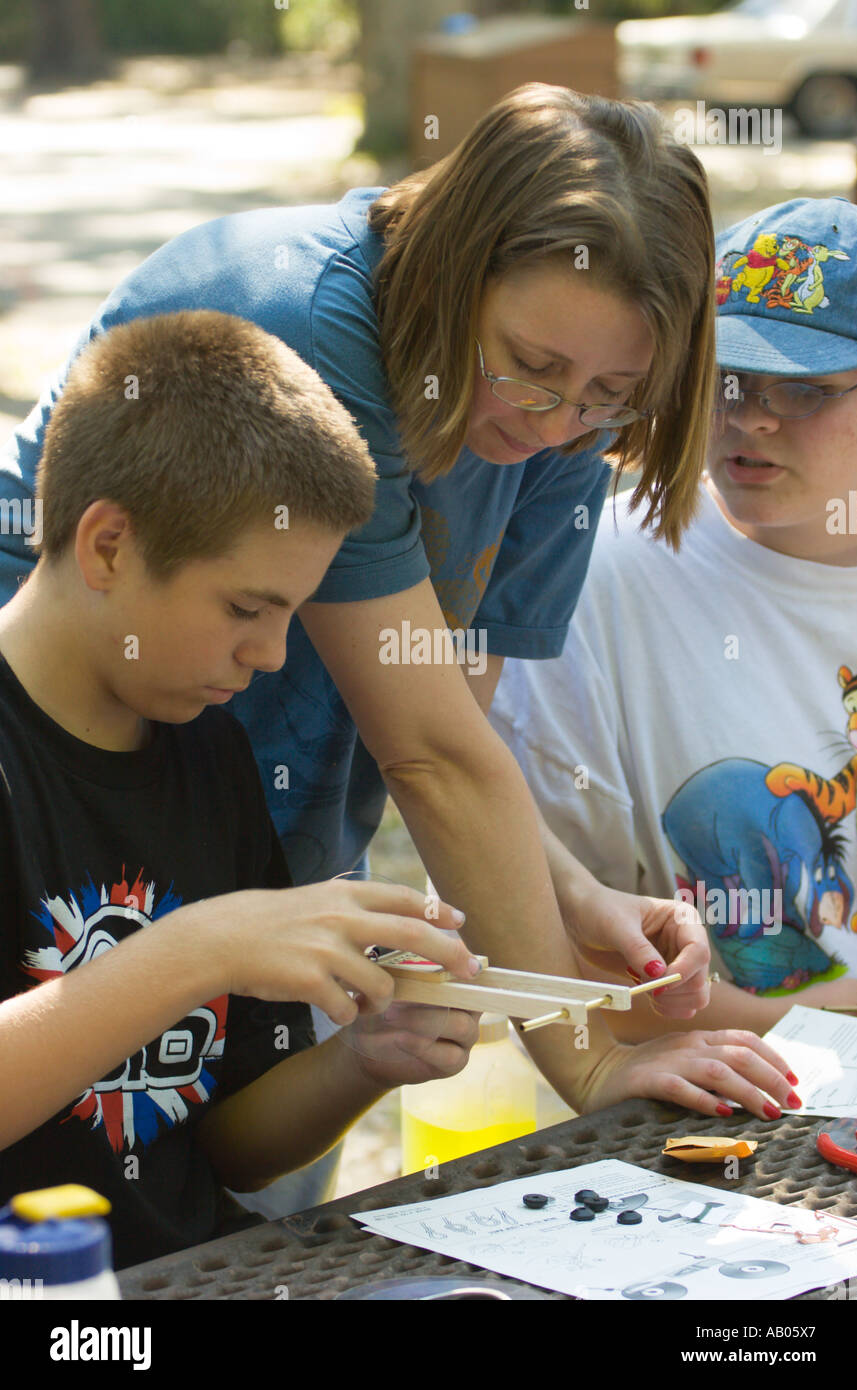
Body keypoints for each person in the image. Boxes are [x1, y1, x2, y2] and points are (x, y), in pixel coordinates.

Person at [0, 85, 797, 1133]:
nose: (557, 421)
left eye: (612, 393)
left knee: (215, 1143)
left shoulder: (562, 430)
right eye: (529, 368)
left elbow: (455, 741)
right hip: (63, 790)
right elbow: (430, 755)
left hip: (240, 815)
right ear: (455, 271)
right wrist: (589, 1059)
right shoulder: (310, 327)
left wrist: (565, 899)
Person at [0, 310, 484, 1269]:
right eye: (246, 609)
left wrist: (360, 1059)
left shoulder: (209, 755)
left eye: (293, 615)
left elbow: (227, 1145)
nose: (269, 657)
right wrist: (194, 950)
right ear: (107, 546)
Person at [490, 195, 857, 1044]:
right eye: (724, 377)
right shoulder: (590, 578)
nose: (752, 414)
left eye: (804, 389)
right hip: (718, 1092)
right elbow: (552, 946)